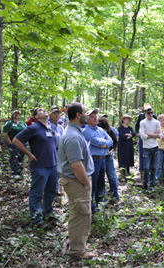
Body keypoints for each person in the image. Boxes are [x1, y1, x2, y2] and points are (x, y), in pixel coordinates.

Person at [57, 102, 96, 259]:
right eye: (85, 112)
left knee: (79, 213)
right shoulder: (72, 136)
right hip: (77, 181)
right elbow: (76, 166)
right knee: (81, 214)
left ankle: (78, 245)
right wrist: (86, 183)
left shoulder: (74, 131)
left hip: (76, 180)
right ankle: (77, 251)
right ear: (78, 115)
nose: (87, 114)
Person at [11, 107, 61, 226]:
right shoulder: (33, 128)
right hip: (40, 166)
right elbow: (15, 140)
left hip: (53, 165)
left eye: (44, 110)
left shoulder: (51, 127)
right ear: (36, 117)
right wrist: (28, 153)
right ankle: (37, 221)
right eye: (40, 110)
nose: (44, 110)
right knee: (37, 193)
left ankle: (48, 213)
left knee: (51, 191)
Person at [81, 109, 112, 212]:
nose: (95, 118)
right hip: (94, 160)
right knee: (93, 183)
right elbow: (97, 142)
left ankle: (101, 204)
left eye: (96, 116)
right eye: (93, 117)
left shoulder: (100, 129)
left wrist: (103, 145)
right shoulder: (86, 131)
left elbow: (110, 141)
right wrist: (104, 143)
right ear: (88, 119)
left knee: (101, 183)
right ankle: (92, 207)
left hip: (103, 159)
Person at [139, 105, 162, 190]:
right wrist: (154, 135)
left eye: (151, 112)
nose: (150, 114)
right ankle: (145, 186)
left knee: (154, 167)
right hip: (146, 148)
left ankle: (152, 185)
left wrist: (149, 134)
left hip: (155, 147)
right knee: (146, 167)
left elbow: (160, 135)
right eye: (148, 113)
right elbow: (142, 136)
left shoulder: (156, 122)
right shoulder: (142, 122)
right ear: (145, 113)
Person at [98, 114, 120, 202]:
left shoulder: (110, 131)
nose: (105, 131)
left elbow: (115, 142)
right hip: (100, 157)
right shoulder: (97, 132)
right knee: (101, 177)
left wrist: (112, 150)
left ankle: (115, 194)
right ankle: (101, 196)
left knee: (111, 175)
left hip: (109, 156)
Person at [3, 110, 26, 176]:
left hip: (23, 143)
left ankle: (20, 171)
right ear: (12, 115)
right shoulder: (9, 123)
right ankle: (14, 173)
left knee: (21, 157)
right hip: (13, 143)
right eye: (15, 113)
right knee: (14, 157)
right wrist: (10, 143)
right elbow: (5, 133)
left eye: (18, 113)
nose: (17, 115)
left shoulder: (22, 123)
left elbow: (26, 131)